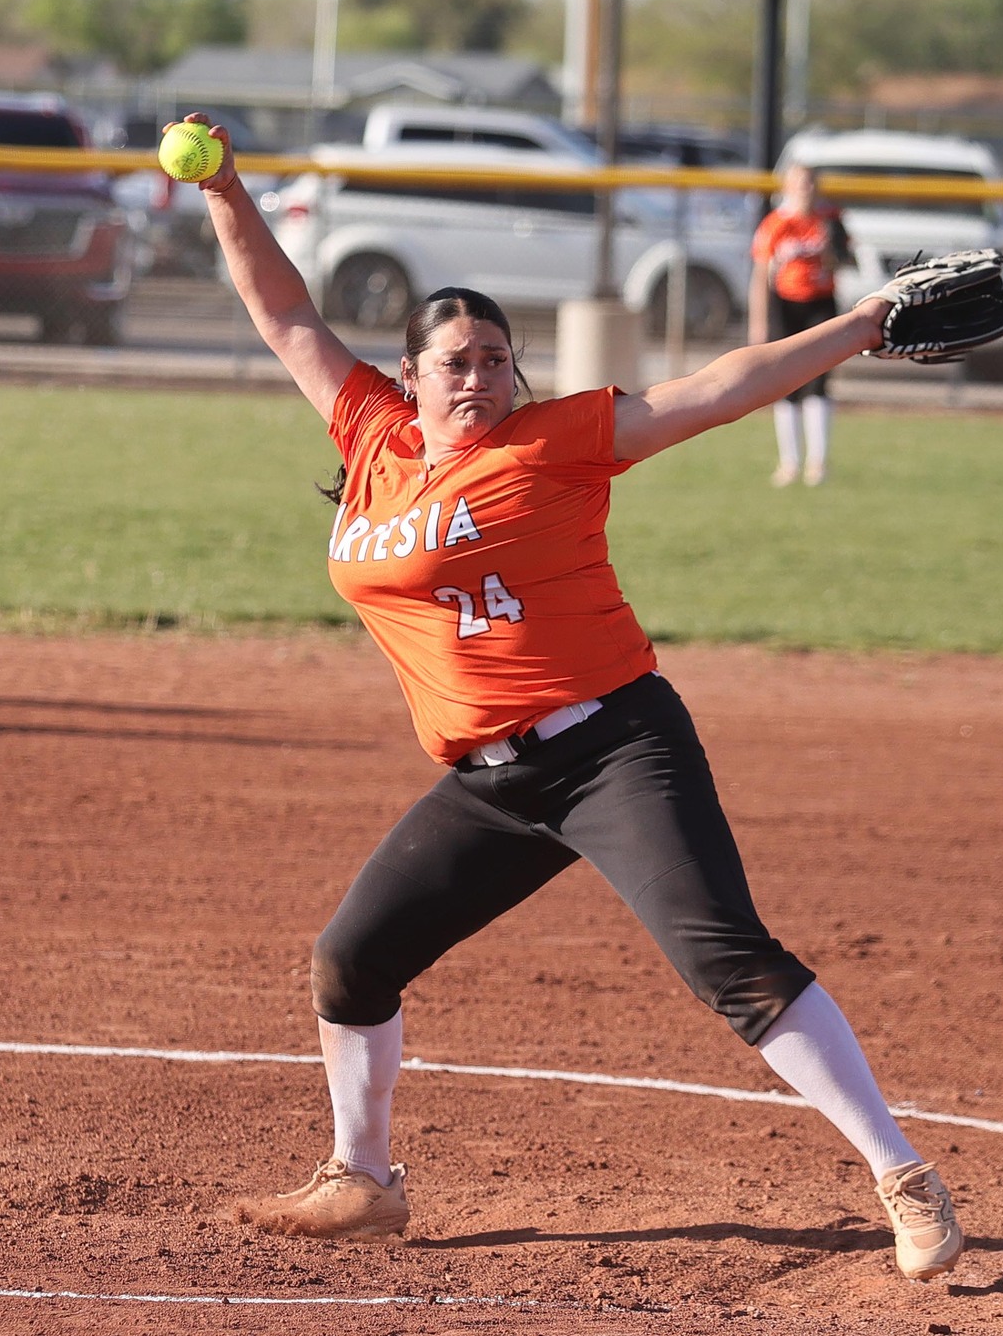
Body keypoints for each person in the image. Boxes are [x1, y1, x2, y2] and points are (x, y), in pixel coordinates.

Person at [184, 114, 963, 1282]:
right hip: (487, 780)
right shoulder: (374, 436)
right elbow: (284, 311)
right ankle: (364, 1178)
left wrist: (856, 326)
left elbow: (713, 390)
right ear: (409, 375)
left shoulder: (555, 442)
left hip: (612, 747)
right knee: (350, 958)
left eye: (497, 357)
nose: (481, 375)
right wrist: (227, 190)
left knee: (726, 960)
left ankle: (901, 1173)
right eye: (456, 359)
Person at [748, 164, 853, 487]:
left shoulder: (830, 219)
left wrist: (833, 249)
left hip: (820, 304)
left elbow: (846, 262)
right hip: (786, 305)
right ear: (787, 186)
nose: (804, 189)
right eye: (798, 183)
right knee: (785, 385)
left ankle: (818, 463)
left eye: (809, 183)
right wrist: (758, 322)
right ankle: (789, 463)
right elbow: (761, 275)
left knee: (819, 383)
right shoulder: (777, 223)